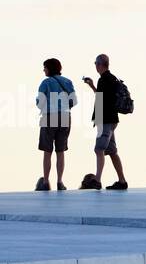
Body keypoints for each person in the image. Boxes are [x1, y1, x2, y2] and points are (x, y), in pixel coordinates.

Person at [80, 54, 127, 190]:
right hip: (112, 120)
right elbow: (102, 96)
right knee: (112, 151)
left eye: (95, 63)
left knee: (99, 149)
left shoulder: (104, 79)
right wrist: (92, 86)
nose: (95, 65)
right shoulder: (112, 79)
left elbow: (100, 100)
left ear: (100, 64)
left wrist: (98, 120)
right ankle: (122, 181)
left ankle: (97, 180)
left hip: (105, 120)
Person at [36, 58, 77, 192]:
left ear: (49, 68)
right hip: (65, 116)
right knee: (60, 151)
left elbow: (39, 102)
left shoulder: (46, 83)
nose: (43, 70)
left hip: (49, 116)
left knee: (47, 151)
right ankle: (60, 181)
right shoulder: (67, 81)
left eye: (45, 67)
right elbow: (74, 101)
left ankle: (46, 182)